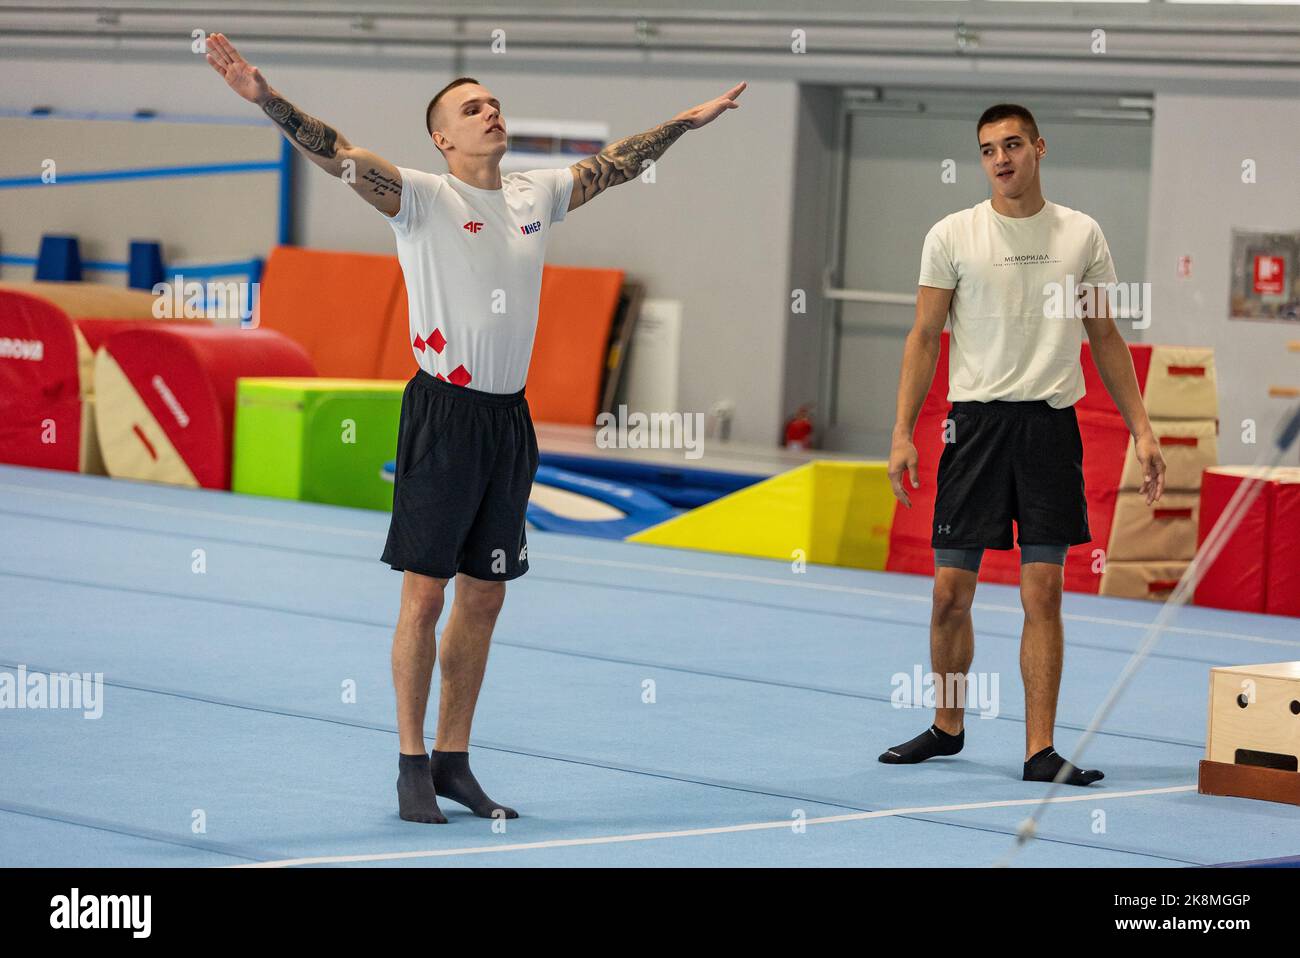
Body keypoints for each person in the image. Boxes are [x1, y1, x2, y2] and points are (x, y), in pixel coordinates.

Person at [205, 32, 745, 822]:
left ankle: (456, 758)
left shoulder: (536, 194)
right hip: (444, 414)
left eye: (492, 101)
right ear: (441, 137)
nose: (489, 111)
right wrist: (268, 100)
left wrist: (687, 121)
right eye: (470, 107)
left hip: (507, 420)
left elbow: (618, 162)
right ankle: (410, 763)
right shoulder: (421, 195)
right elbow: (338, 155)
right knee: (424, 597)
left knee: (485, 598)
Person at [881, 103, 1166, 786]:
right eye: (987, 149)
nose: (1001, 159)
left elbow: (1105, 337)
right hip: (974, 428)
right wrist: (900, 432)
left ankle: (1040, 750)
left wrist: (1144, 427)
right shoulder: (952, 234)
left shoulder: (1081, 234)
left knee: (1044, 591)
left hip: (1048, 429)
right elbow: (924, 337)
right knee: (950, 591)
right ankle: (947, 725)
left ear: (1040, 147)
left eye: (1012, 144)